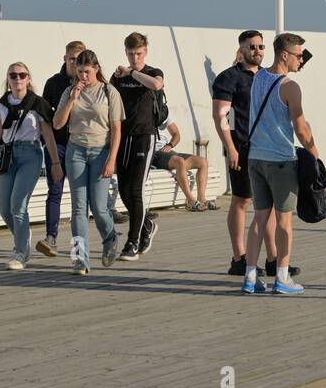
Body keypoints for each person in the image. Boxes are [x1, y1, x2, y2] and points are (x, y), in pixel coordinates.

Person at [242, 33, 321, 296]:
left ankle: (251, 276)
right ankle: (283, 278)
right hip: (280, 160)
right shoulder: (290, 86)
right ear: (285, 55)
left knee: (259, 218)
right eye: (299, 55)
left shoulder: (258, 79)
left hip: (255, 158)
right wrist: (315, 154)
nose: (302, 60)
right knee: (284, 221)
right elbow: (300, 128)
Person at [212, 31, 293, 279]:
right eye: (252, 47)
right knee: (241, 200)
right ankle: (239, 257)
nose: (257, 51)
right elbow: (221, 116)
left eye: (260, 47)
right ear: (241, 49)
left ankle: (273, 258)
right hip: (241, 146)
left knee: (266, 204)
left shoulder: (268, 77)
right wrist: (231, 147)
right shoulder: (229, 78)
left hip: (266, 148)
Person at [0, 61, 62, 271]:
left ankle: (20, 252)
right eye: (13, 75)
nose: (17, 79)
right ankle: (24, 238)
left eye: (22, 75)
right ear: (7, 80)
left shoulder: (38, 103)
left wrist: (55, 162)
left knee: (18, 206)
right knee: (5, 209)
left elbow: (48, 135)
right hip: (8, 155)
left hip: (30, 154)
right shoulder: (0, 104)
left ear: (29, 79)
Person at [53, 48, 124, 274]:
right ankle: (79, 259)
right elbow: (57, 124)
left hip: (101, 150)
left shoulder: (108, 91)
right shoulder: (70, 91)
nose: (83, 76)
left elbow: (116, 129)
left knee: (99, 207)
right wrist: (73, 99)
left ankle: (110, 236)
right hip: (76, 151)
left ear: (96, 69)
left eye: (87, 72)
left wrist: (112, 159)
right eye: (79, 72)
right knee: (77, 208)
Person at [109, 32, 166, 261]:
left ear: (146, 51)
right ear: (126, 52)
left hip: (145, 136)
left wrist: (133, 72)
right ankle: (145, 227)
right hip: (124, 136)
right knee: (123, 190)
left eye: (138, 53)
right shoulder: (118, 77)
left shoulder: (152, 72)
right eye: (131, 54)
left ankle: (132, 243)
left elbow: (156, 85)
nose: (135, 57)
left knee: (136, 189)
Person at [36, 41, 82, 257]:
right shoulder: (53, 84)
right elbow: (44, 120)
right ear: (65, 58)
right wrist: (50, 150)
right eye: (72, 58)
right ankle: (51, 238)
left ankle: (79, 247)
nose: (75, 63)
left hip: (82, 146)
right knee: (54, 191)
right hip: (59, 145)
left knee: (79, 197)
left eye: (79, 59)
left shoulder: (89, 82)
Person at [154, 118, 213, 210]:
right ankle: (190, 201)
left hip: (168, 151)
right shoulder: (143, 111)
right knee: (180, 161)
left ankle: (201, 199)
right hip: (155, 153)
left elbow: (176, 134)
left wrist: (170, 145)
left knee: (202, 162)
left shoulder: (164, 111)